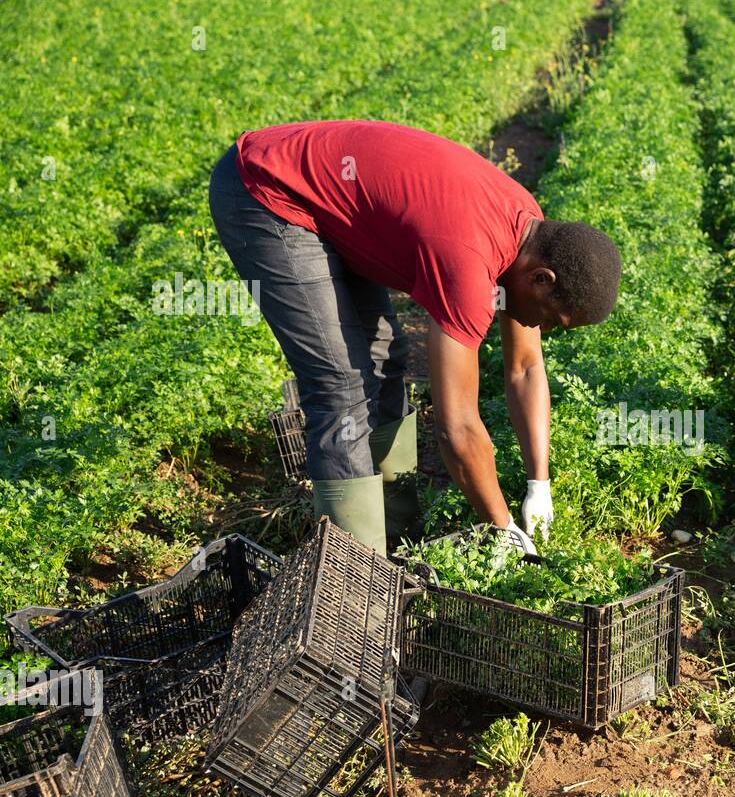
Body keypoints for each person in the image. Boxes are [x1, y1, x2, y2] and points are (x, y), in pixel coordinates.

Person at [208, 120, 621, 556]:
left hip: (329, 196)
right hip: (266, 191)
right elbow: (456, 427)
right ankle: (356, 573)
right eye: (553, 318)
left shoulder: (530, 235)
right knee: (340, 385)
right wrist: (503, 533)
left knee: (385, 359)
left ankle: (398, 531)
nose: (545, 329)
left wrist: (540, 485)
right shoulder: (469, 261)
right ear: (541, 278)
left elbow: (525, 368)